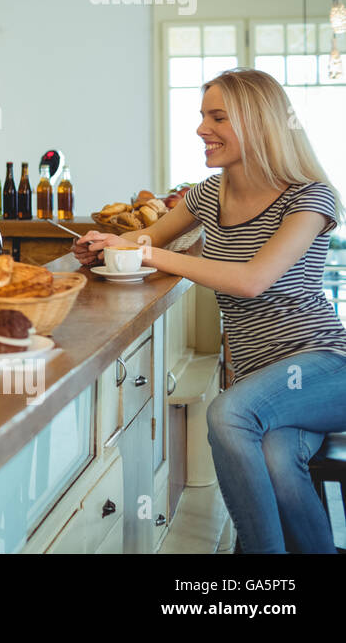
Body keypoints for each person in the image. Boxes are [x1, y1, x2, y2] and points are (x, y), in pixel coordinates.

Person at [75, 69, 346, 553]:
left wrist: (147, 254)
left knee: (228, 414)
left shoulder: (309, 198)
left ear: (260, 124)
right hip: (257, 380)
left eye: (217, 117)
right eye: (202, 115)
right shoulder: (207, 194)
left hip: (324, 365)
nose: (202, 128)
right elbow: (147, 239)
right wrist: (106, 246)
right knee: (279, 463)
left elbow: (251, 280)